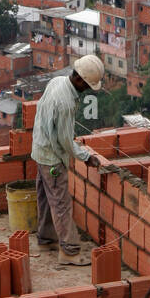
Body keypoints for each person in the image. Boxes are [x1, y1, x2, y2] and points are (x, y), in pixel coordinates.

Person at [32, 55, 105, 267]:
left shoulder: (57, 82)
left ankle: (46, 240)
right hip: (53, 159)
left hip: (40, 150)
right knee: (61, 203)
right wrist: (86, 156)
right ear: (80, 79)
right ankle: (70, 252)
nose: (88, 90)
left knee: (46, 197)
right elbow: (65, 140)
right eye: (88, 86)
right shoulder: (64, 102)